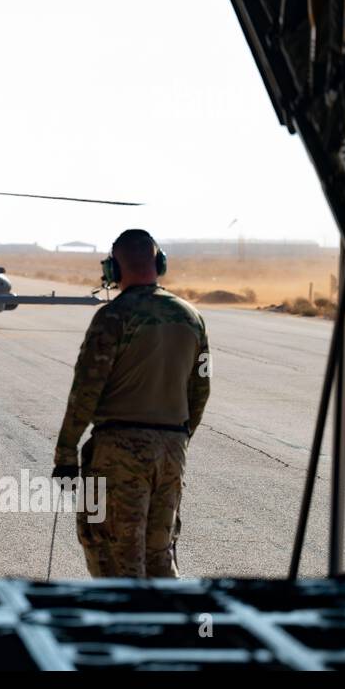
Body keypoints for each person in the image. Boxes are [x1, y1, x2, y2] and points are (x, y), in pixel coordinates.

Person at [52, 229, 210, 578]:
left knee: (113, 556)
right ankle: (170, 629)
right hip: (171, 453)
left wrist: (65, 455)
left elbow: (86, 391)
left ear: (114, 269)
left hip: (119, 453)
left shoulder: (114, 317)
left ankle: (124, 628)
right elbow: (200, 391)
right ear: (159, 263)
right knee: (160, 557)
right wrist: (177, 439)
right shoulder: (191, 317)